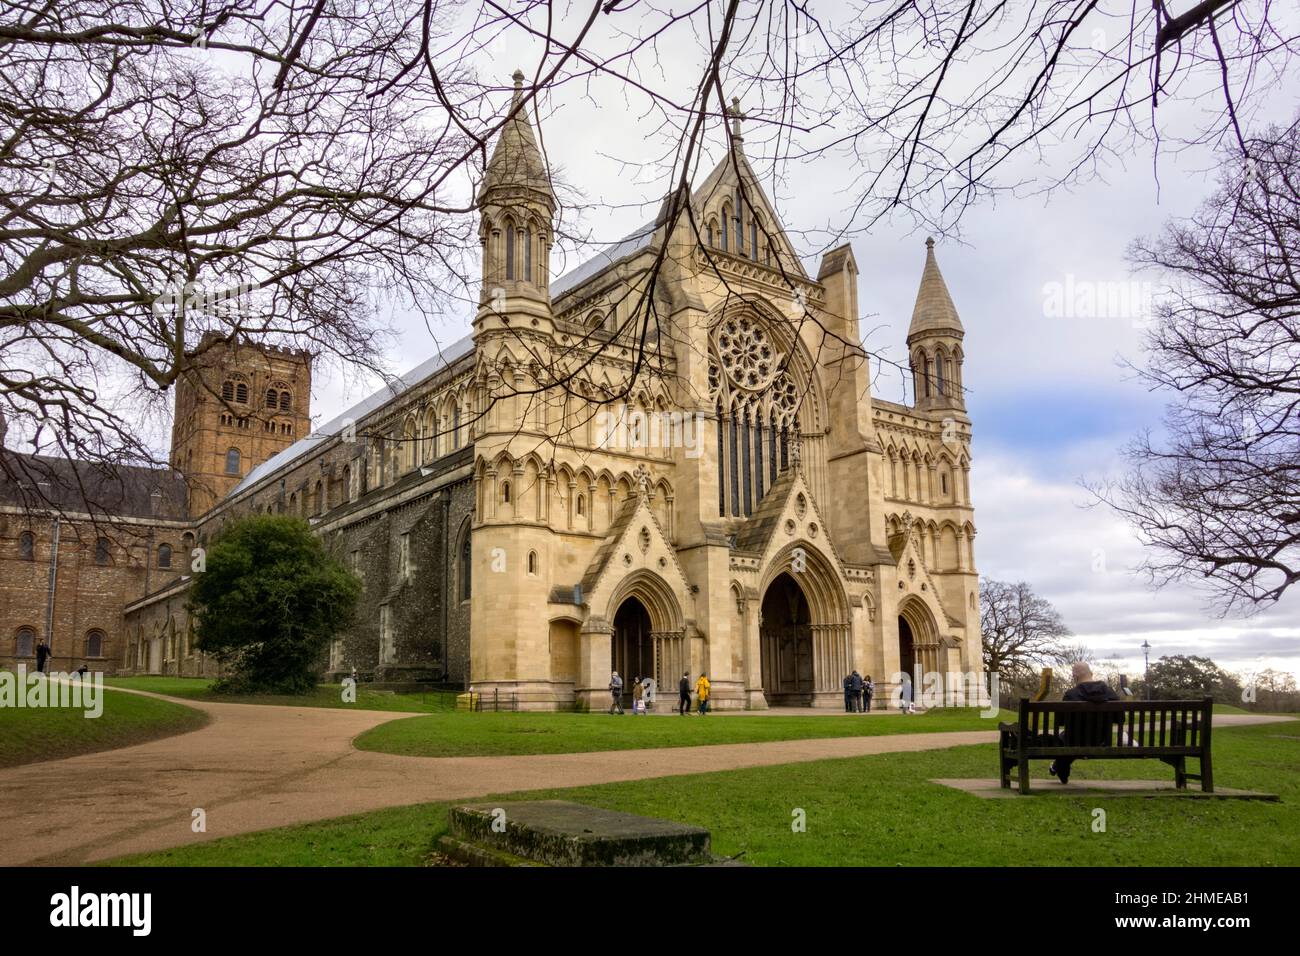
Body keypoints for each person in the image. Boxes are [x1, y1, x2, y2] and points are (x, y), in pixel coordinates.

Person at [1050, 662, 1121, 784]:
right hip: (1102, 741)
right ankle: (1058, 768)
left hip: (1074, 742)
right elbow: (1120, 719)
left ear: (1075, 676)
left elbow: (1060, 722)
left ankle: (1059, 768)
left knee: (1064, 739)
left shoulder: (1070, 695)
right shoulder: (1110, 693)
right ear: (1091, 674)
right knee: (1066, 739)